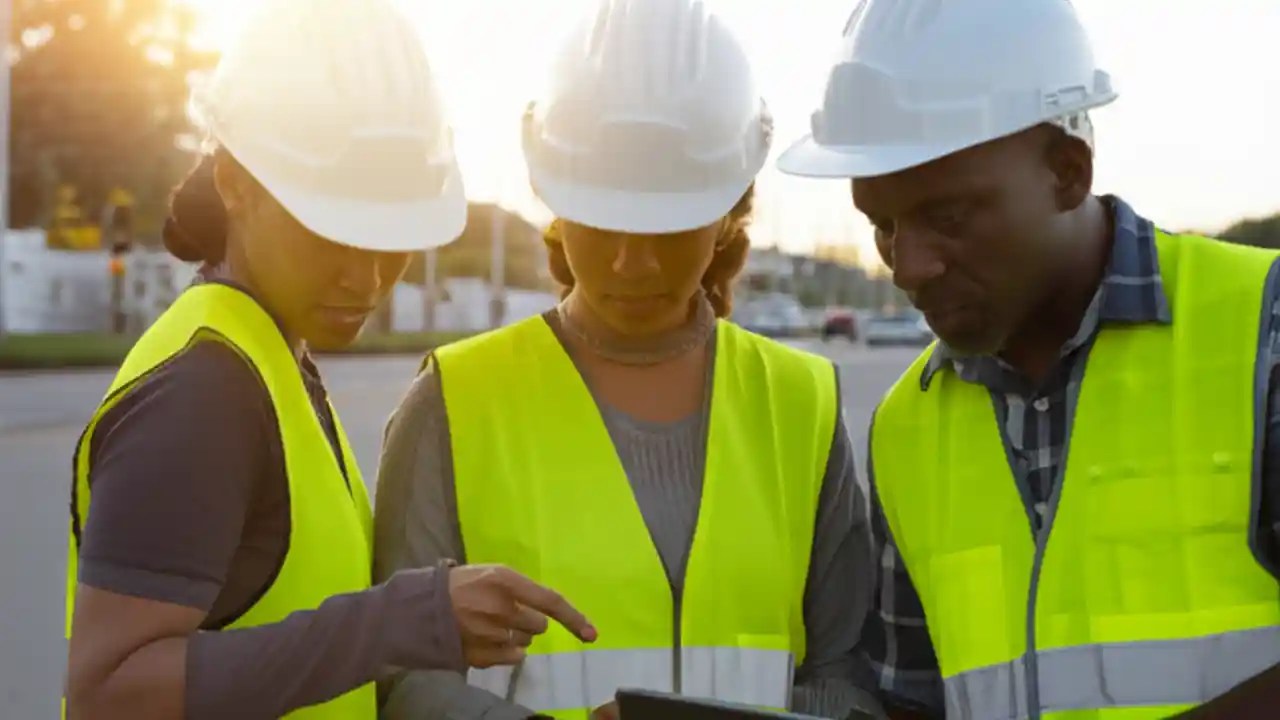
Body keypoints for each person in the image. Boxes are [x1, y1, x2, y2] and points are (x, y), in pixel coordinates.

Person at [63, 1, 595, 718]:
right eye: (333, 235)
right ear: (237, 185)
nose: (366, 277)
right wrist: (400, 621)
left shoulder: (269, 354)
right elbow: (110, 695)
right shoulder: (205, 390)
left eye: (390, 240)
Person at [373, 1, 882, 719]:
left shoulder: (801, 402)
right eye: (601, 220)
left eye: (669, 228)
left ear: (729, 212)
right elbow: (402, 676)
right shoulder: (456, 400)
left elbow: (845, 672)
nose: (630, 260)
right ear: (554, 199)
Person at [777, 0, 1280, 718]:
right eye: (881, 226)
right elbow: (911, 700)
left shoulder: (1265, 328)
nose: (908, 266)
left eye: (947, 218)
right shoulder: (907, 428)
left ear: (1067, 172)